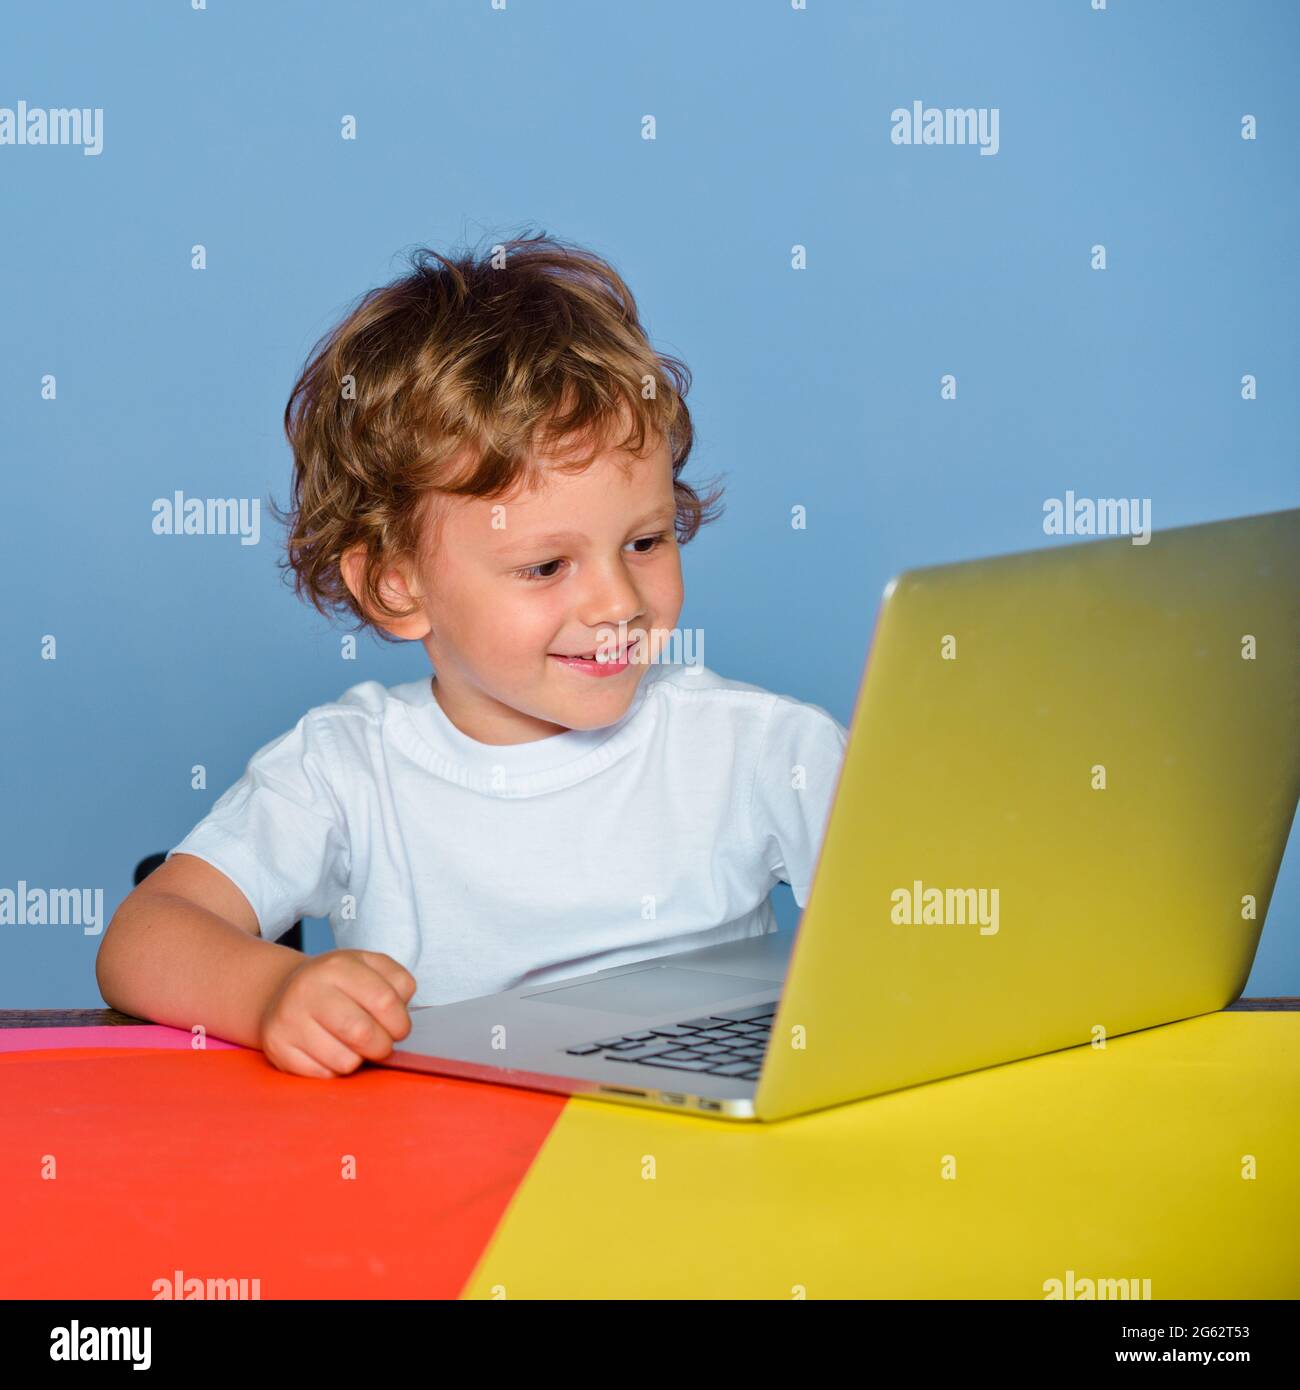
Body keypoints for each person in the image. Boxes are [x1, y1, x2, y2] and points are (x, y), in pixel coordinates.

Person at [96, 231, 847, 1078]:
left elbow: (933, 939)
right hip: (450, 1171)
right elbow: (144, 938)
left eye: (645, 541)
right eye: (545, 565)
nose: (617, 603)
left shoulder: (763, 747)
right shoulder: (346, 770)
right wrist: (272, 994)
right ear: (395, 588)